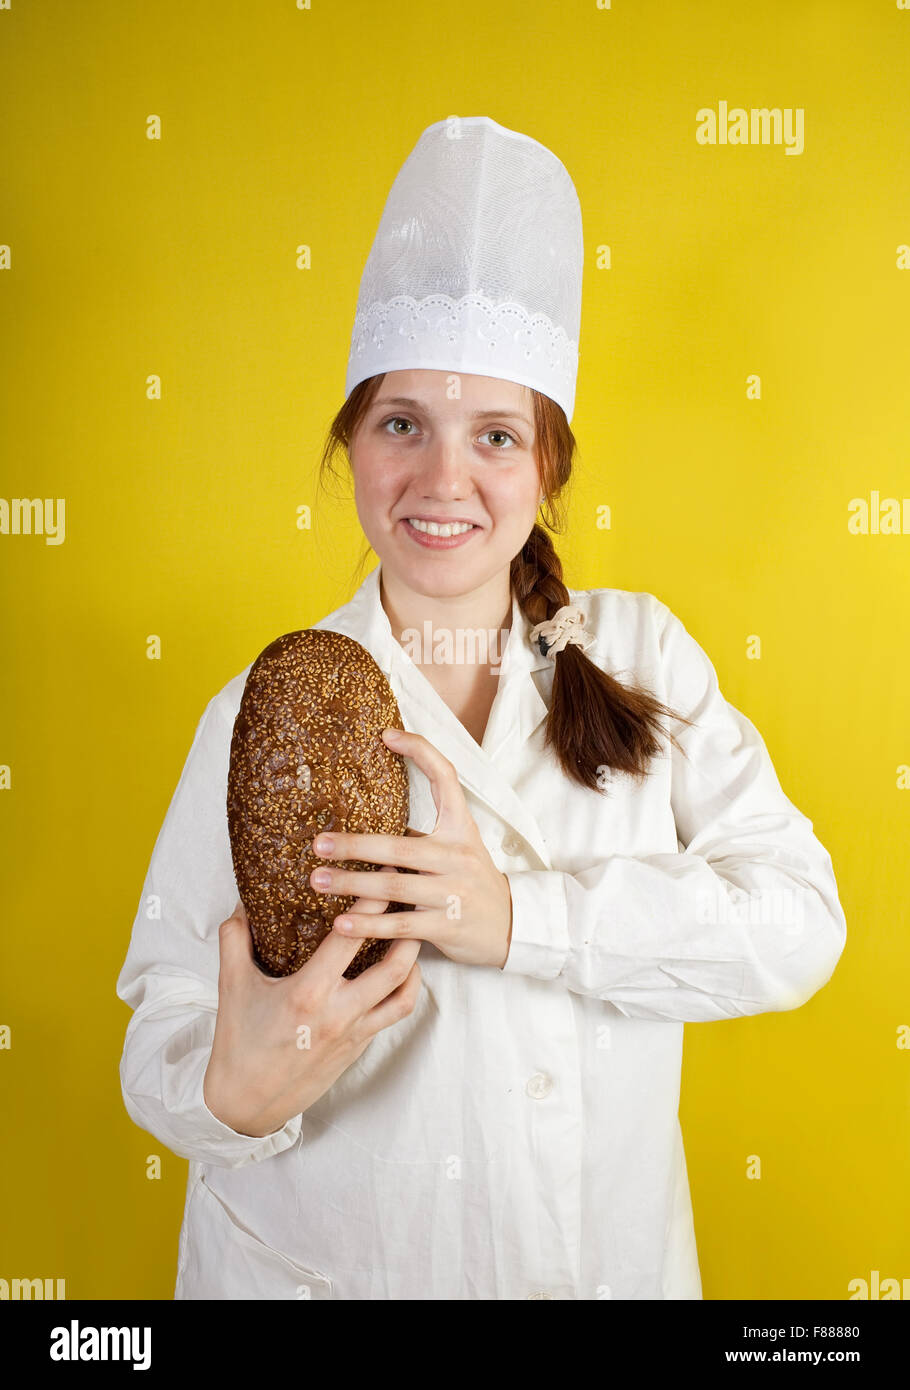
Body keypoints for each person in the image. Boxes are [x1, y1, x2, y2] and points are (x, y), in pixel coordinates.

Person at [116, 115, 846, 1300]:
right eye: (401, 422)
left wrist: (515, 919)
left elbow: (799, 923)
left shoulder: (639, 654)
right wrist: (235, 1091)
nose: (442, 481)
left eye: (494, 436)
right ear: (349, 438)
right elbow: (162, 1034)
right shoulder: (267, 710)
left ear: (547, 465)